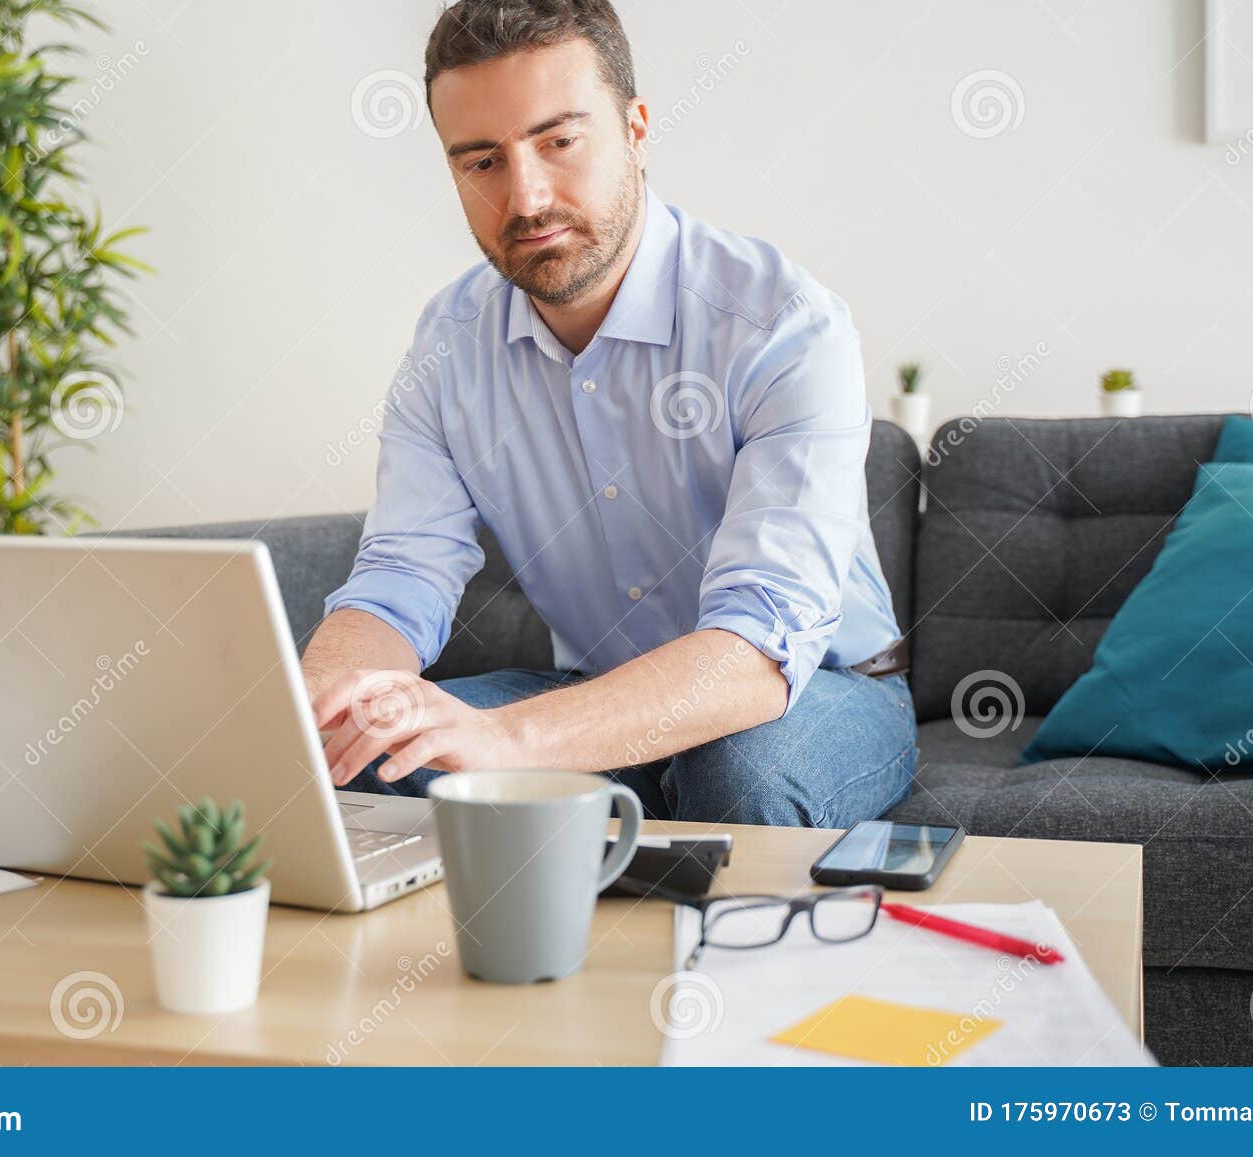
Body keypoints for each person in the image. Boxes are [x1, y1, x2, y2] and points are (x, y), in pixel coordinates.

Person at [301, 0, 915, 827]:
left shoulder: (784, 326)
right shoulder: (448, 343)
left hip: (816, 688)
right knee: (374, 752)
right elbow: (400, 578)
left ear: (635, 129)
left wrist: (508, 741)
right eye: (482, 161)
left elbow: (760, 645)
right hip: (593, 691)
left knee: (734, 777)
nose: (525, 197)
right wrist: (319, 705)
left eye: (558, 141)